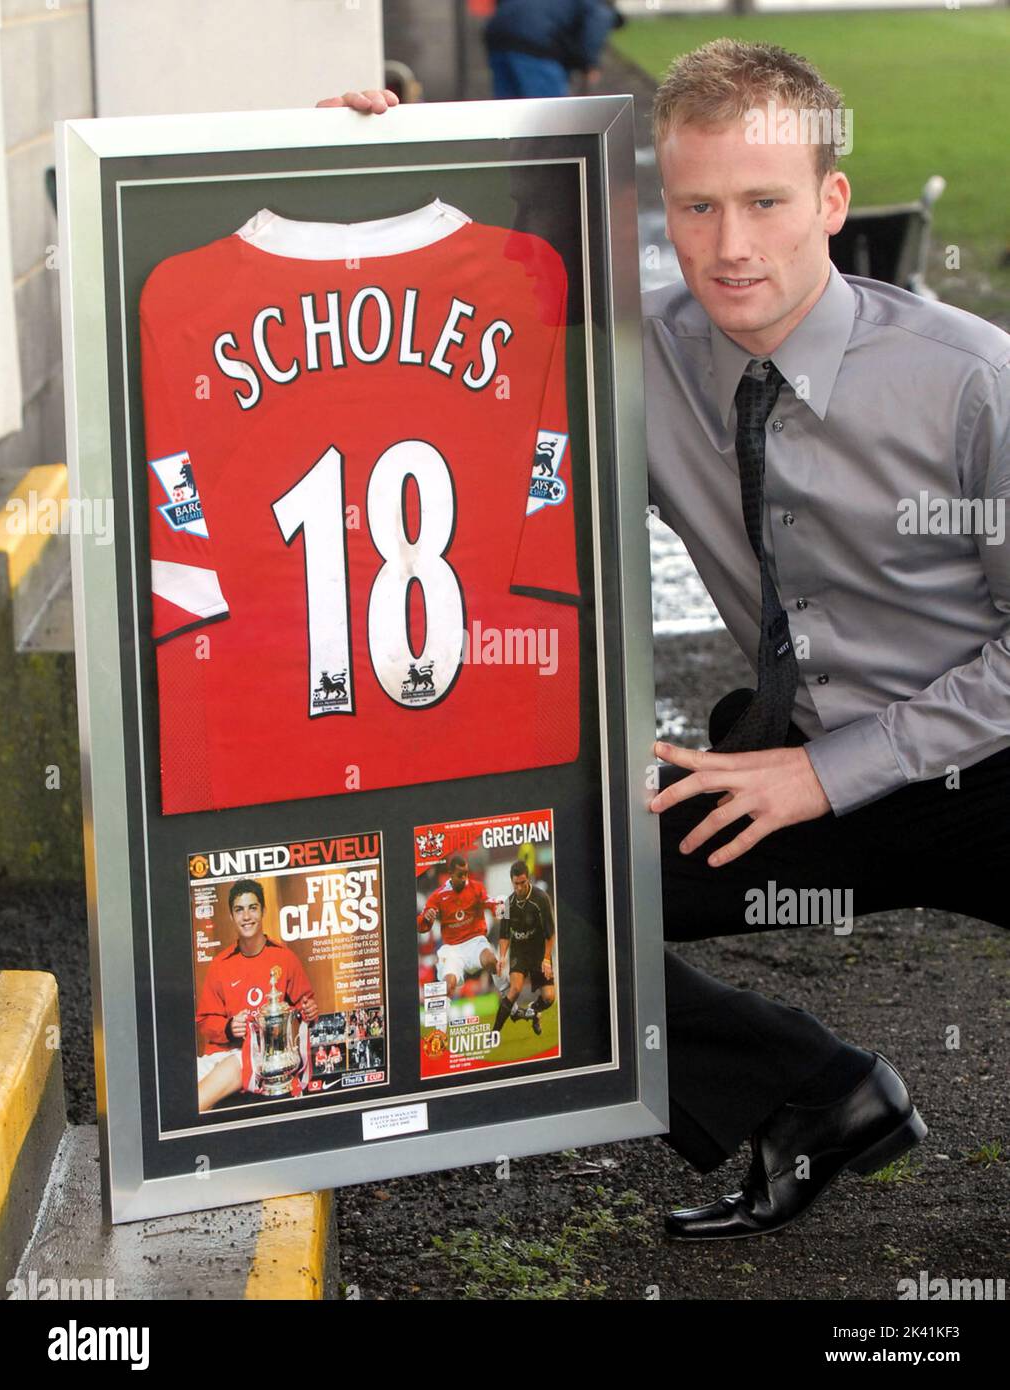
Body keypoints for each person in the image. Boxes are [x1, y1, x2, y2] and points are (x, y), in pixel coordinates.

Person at [323, 40, 1008, 1239]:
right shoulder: (634, 361)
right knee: (488, 901)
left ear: (831, 203)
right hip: (784, 773)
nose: (730, 245)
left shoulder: (971, 381)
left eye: (764, 203)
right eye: (697, 206)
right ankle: (812, 1092)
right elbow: (439, 349)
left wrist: (825, 772)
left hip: (981, 763)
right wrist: (377, 174)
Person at [195, 879, 319, 1112]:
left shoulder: (284, 958)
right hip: (219, 1054)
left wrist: (310, 1011)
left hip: (256, 1056)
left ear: (263, 911)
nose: (246, 916)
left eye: (253, 908)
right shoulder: (220, 965)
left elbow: (305, 1007)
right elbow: (204, 1022)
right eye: (239, 910)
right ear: (231, 916)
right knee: (174, 1094)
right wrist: (229, 1027)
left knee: (196, 1104)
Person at [483, 0, 618, 100]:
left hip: (498, 35)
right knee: (553, 116)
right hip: (535, 42)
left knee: (509, 115)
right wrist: (590, 64)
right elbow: (595, 28)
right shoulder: (598, 6)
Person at [417, 855, 501, 999]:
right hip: (453, 949)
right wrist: (426, 918)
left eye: (466, 874)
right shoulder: (438, 896)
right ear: (451, 874)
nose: (464, 878)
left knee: (491, 960)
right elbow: (421, 926)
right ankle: (444, 1017)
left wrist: (499, 908)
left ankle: (504, 995)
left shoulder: (476, 887)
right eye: (460, 875)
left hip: (475, 943)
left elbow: (490, 903)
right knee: (449, 984)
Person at [492, 861, 557, 1039]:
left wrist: (546, 958)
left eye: (522, 882)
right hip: (519, 952)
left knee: (550, 998)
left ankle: (533, 1011)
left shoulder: (541, 898)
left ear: (528, 879)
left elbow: (550, 934)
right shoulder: (507, 904)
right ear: (511, 881)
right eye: (516, 883)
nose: (519, 887)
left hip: (539, 952)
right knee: (515, 989)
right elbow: (504, 935)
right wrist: (502, 957)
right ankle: (494, 1033)